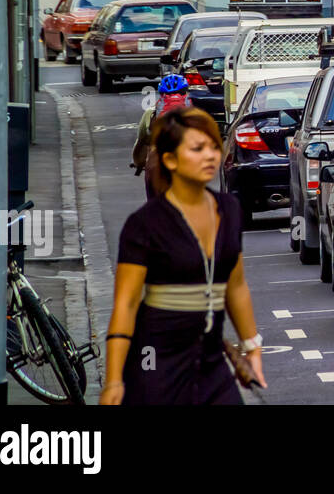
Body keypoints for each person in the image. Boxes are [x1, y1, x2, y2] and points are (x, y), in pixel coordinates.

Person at [102, 107, 266, 405]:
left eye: (213, 146)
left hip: (212, 362)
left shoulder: (228, 210)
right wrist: (114, 380)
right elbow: (125, 304)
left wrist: (251, 346)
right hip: (158, 363)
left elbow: (236, 285)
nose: (210, 156)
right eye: (197, 148)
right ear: (170, 160)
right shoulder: (144, 225)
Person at [132, 75, 193, 200]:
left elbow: (141, 141)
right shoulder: (194, 112)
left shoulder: (151, 113)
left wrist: (139, 163)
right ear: (185, 92)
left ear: (161, 95)